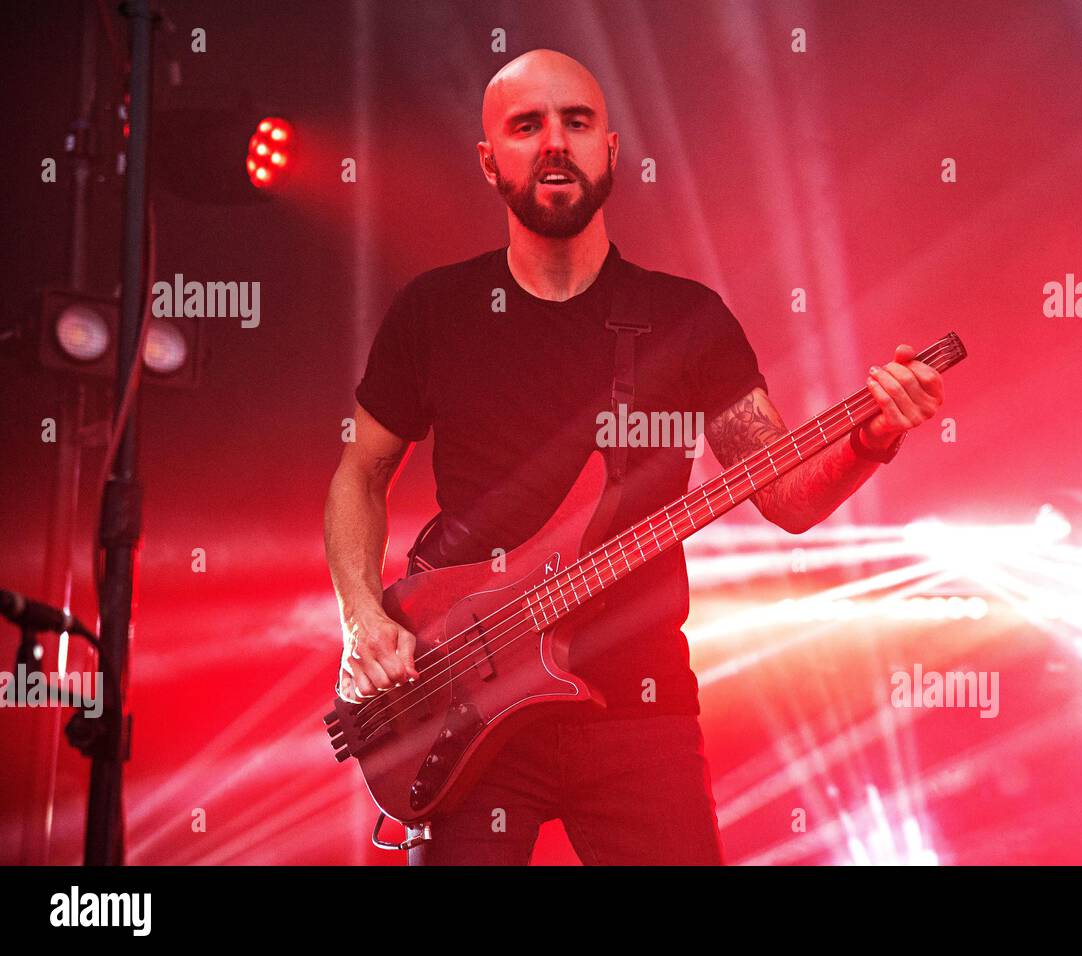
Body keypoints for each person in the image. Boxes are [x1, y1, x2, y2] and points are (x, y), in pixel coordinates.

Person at [323, 49, 945, 865]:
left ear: (610, 150)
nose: (555, 142)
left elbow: (786, 500)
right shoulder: (434, 311)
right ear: (488, 159)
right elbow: (359, 473)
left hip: (638, 709)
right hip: (460, 705)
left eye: (576, 123)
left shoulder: (684, 320)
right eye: (526, 125)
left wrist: (872, 437)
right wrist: (363, 617)